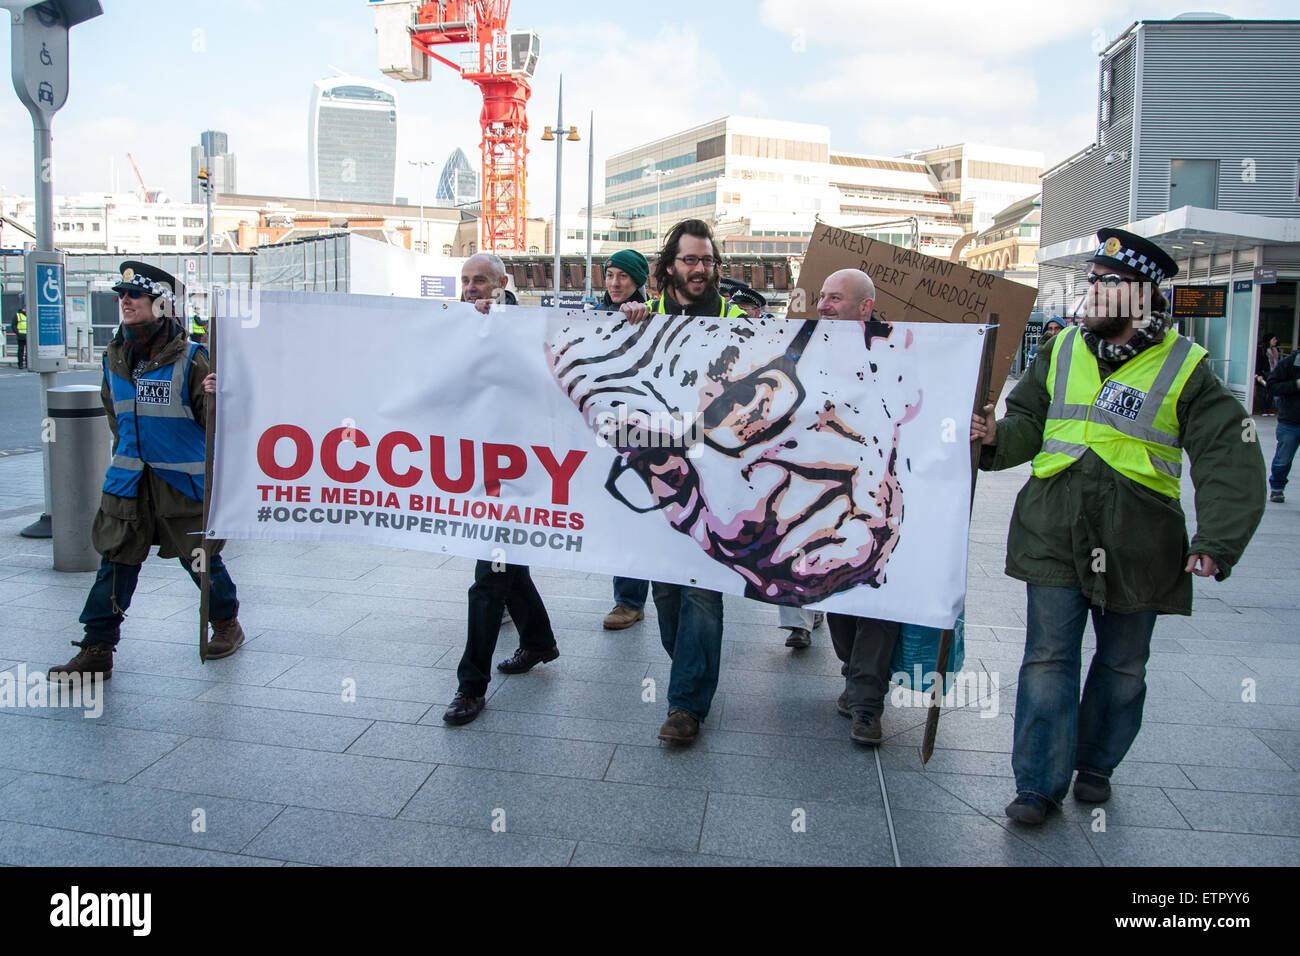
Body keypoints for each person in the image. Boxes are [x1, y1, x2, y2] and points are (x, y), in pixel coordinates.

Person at [970, 227, 1266, 825]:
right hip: (1052, 527)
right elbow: (1028, 418)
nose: (1093, 294)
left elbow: (1229, 456)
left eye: (1108, 286)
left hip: (1140, 541)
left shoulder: (1188, 367)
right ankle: (1037, 785)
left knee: (1124, 666)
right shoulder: (1060, 351)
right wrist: (998, 438)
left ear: (1141, 296)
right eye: (1093, 284)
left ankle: (1097, 764)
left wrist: (1217, 541)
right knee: (1048, 657)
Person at [48, 262, 244, 682]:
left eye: (134, 295)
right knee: (115, 563)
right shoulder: (114, 357)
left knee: (202, 563)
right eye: (121, 295)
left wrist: (219, 395)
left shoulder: (195, 358)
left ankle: (226, 623)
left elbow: (219, 424)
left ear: (162, 304)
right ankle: (97, 647)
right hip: (128, 484)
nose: (124, 302)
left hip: (181, 486)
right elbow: (115, 415)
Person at [443, 252, 558, 726]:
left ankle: (471, 686)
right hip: (479, 472)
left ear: (502, 283)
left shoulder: (526, 327)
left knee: (488, 579)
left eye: (481, 280)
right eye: (466, 280)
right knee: (508, 565)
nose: (471, 288)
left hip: (519, 473)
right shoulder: (451, 326)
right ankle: (538, 641)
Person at [597, 248, 653, 631]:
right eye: (610, 275)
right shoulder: (590, 318)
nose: (615, 283)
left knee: (637, 515)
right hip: (601, 429)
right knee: (617, 514)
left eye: (623, 277)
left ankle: (629, 600)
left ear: (638, 281)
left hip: (646, 433)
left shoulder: (655, 318)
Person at [1266, 345, 1299, 503]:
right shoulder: (1290, 363)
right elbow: (1272, 386)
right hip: (1290, 421)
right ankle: (1277, 488)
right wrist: (1296, 385)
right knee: (1283, 458)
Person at [1255, 332, 1280, 415]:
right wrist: (1259, 374)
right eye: (1274, 339)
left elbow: (1277, 362)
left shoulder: (1275, 350)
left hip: (1273, 373)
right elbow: (1258, 363)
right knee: (1263, 392)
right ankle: (1264, 409)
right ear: (1269, 340)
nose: (1275, 341)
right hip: (1264, 373)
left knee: (1271, 392)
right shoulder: (1262, 350)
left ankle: (1268, 408)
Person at [14, 299, 27, 369]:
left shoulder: (29, 315)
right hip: (21, 336)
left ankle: (28, 363)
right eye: (24, 308)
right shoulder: (18, 315)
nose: (25, 310)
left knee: (29, 351)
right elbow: (13, 325)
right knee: (21, 350)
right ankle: (20, 364)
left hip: (28, 336)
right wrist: (17, 333)